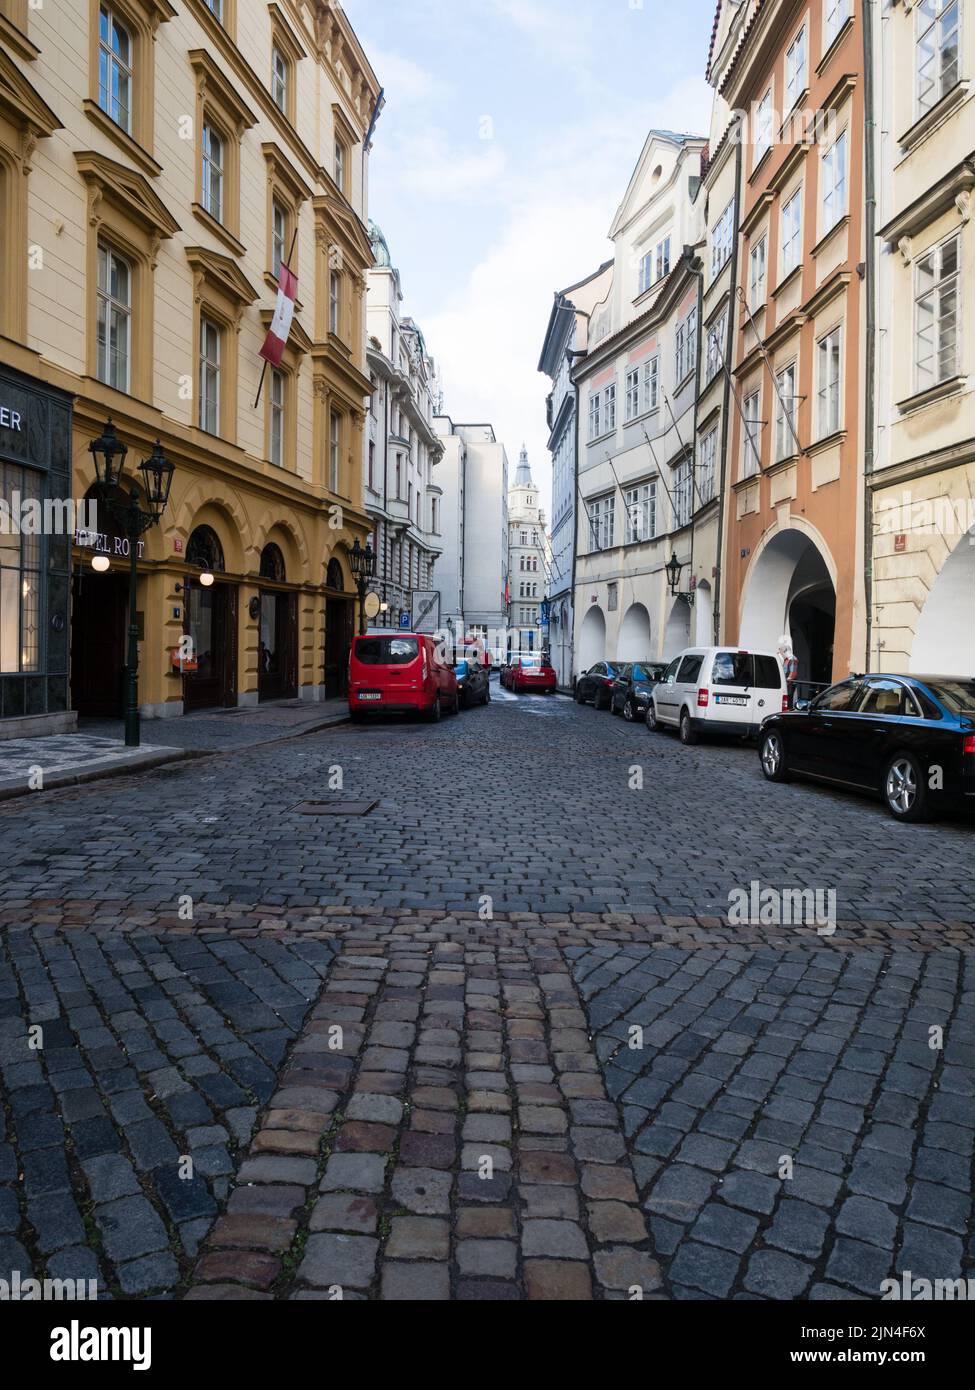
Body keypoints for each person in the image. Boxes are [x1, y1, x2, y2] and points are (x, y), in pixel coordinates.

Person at [778, 635, 799, 707]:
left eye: (781, 653)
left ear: (785, 651)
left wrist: (785, 683)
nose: (780, 654)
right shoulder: (787, 659)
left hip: (789, 686)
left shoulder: (792, 659)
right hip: (786, 684)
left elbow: (793, 674)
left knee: (788, 702)